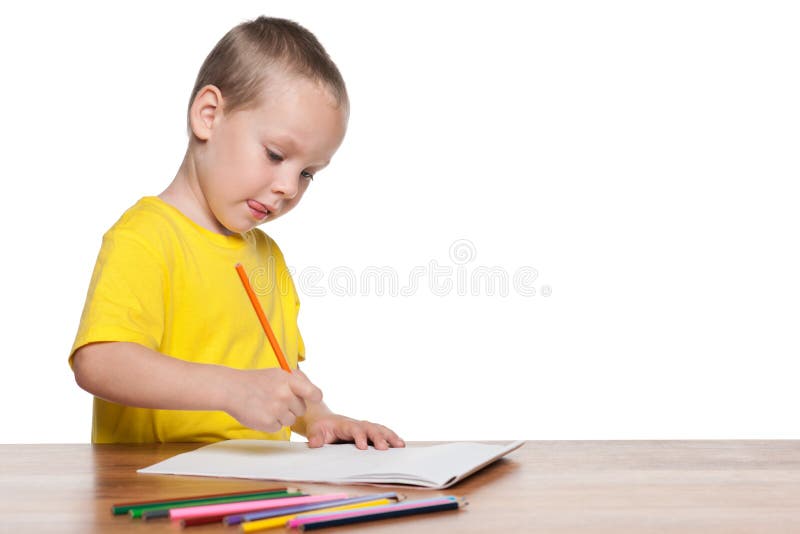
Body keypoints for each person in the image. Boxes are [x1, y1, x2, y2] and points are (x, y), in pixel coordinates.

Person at [69, 16, 405, 450]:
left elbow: (277, 383)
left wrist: (321, 418)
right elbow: (99, 362)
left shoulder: (268, 257)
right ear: (208, 116)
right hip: (155, 499)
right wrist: (230, 390)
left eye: (307, 173)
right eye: (275, 154)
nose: (288, 186)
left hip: (253, 496)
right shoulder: (146, 237)